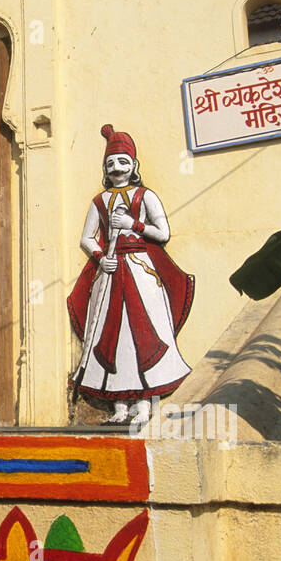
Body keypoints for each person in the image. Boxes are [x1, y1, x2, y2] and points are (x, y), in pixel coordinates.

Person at [67, 124, 194, 427]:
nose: (117, 168)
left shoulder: (145, 196)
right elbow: (87, 238)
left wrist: (132, 223)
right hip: (110, 272)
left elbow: (162, 232)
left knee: (142, 332)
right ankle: (119, 404)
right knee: (113, 335)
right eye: (110, 164)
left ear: (133, 166)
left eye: (122, 162)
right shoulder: (99, 202)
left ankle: (144, 402)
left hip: (140, 269)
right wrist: (99, 257)